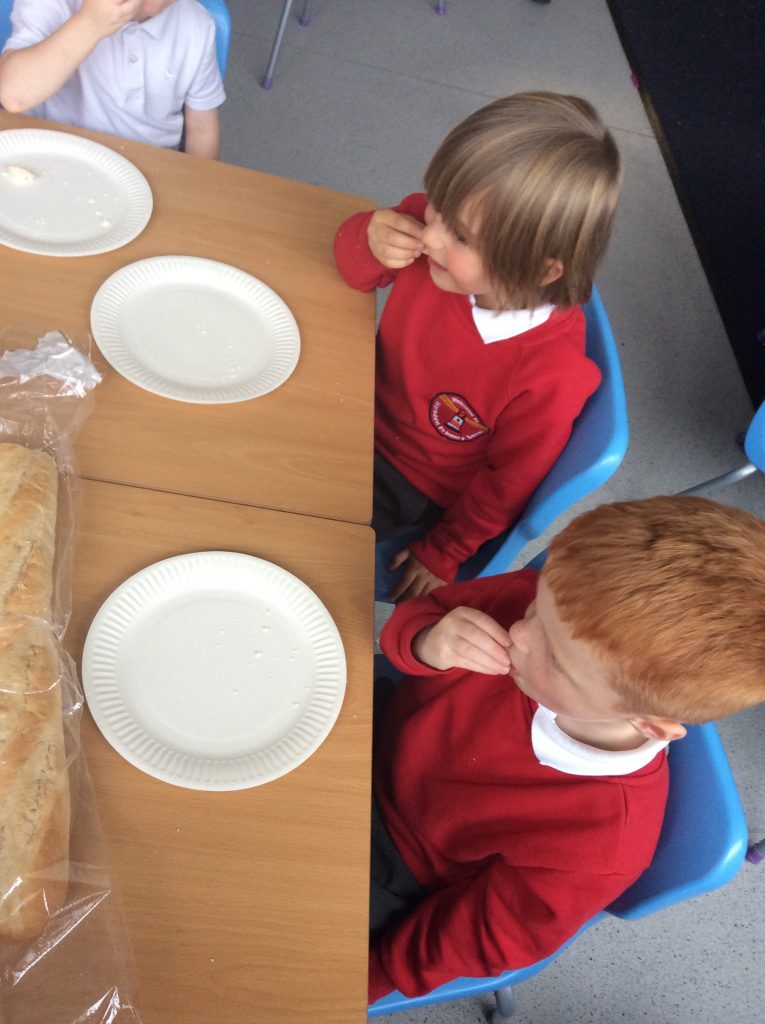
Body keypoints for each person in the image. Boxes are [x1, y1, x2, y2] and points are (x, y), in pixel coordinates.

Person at [369, 495, 765, 1003]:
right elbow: (418, 623)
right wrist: (428, 641)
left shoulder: (598, 845)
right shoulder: (552, 611)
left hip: (398, 862)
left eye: (555, 658)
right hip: (377, 730)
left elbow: (467, 943)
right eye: (537, 607)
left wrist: (355, 980)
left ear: (649, 724)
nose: (519, 633)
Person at [334, 92, 622, 601]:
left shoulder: (550, 375)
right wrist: (368, 236)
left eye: (461, 236)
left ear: (538, 270)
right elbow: (355, 271)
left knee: (289, 521)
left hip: (406, 478)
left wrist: (444, 549)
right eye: (437, 206)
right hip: (350, 398)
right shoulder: (431, 234)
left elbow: (507, 483)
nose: (431, 235)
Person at [0, 0, 225, 158]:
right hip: (54, 156)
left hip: (154, 172)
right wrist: (90, 23)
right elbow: (13, 95)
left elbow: (202, 130)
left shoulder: (197, 25)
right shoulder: (52, 5)